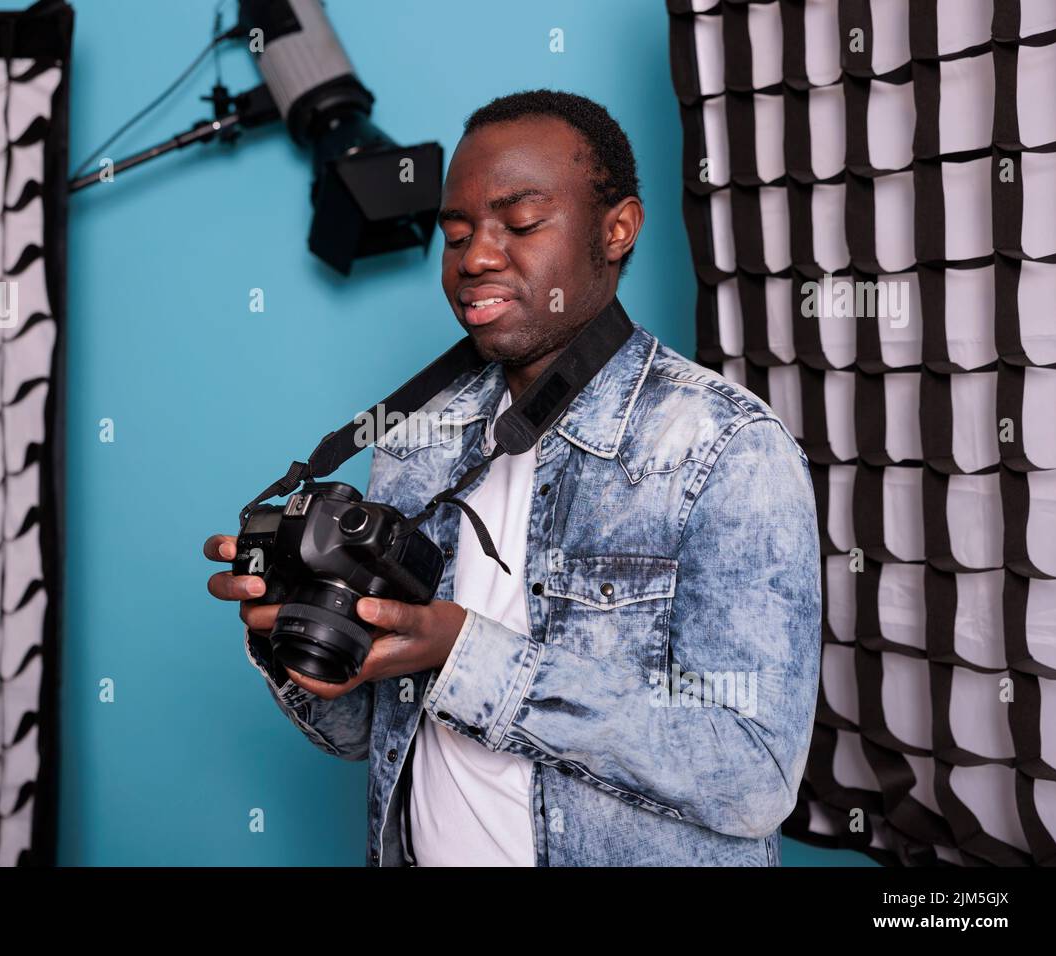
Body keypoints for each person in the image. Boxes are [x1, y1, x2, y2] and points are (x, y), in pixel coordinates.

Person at [204, 89, 821, 866]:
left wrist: (463, 653)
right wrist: (297, 634)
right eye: (455, 235)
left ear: (618, 228)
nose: (477, 259)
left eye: (521, 224)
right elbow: (366, 732)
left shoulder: (726, 447)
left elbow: (752, 771)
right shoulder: (418, 438)